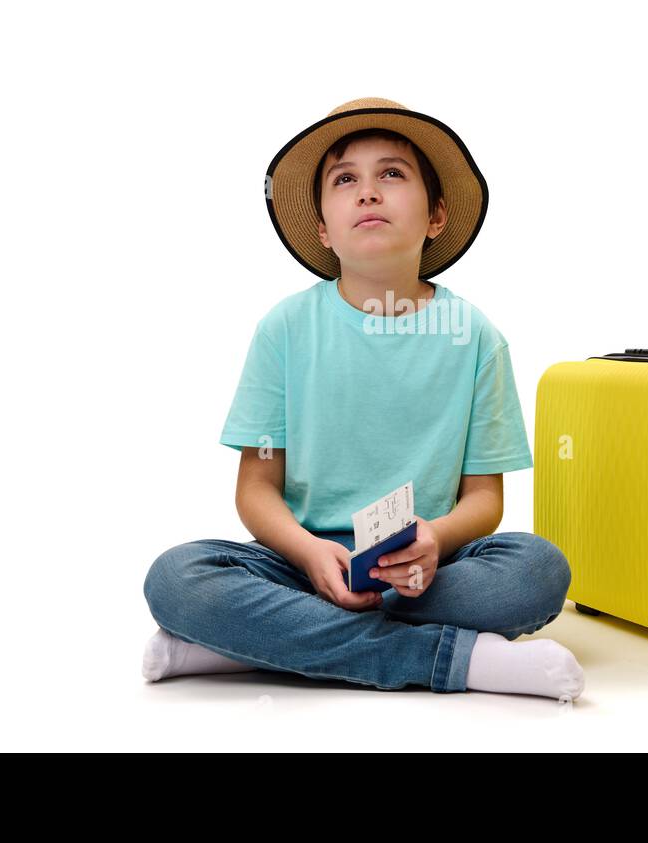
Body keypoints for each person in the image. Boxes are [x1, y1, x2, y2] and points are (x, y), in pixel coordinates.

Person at [141, 97, 584, 700]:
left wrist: (433, 540)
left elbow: (484, 500)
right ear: (323, 228)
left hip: (424, 570)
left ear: (436, 216)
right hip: (302, 564)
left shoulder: (476, 336)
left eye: (392, 174)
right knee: (177, 578)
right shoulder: (286, 329)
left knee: (537, 571)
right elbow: (256, 488)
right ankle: (454, 661)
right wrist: (309, 552)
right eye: (345, 179)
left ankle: (248, 645)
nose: (368, 193)